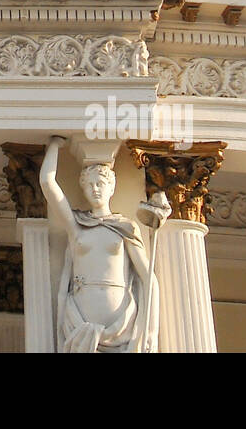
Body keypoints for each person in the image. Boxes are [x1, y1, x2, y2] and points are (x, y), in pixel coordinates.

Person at [39, 135, 168, 353]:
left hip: (121, 325)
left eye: (100, 184)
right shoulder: (77, 226)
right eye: (89, 185)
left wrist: (151, 331)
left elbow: (148, 279)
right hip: (79, 321)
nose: (95, 189)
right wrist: (54, 145)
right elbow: (47, 183)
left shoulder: (126, 227)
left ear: (111, 187)